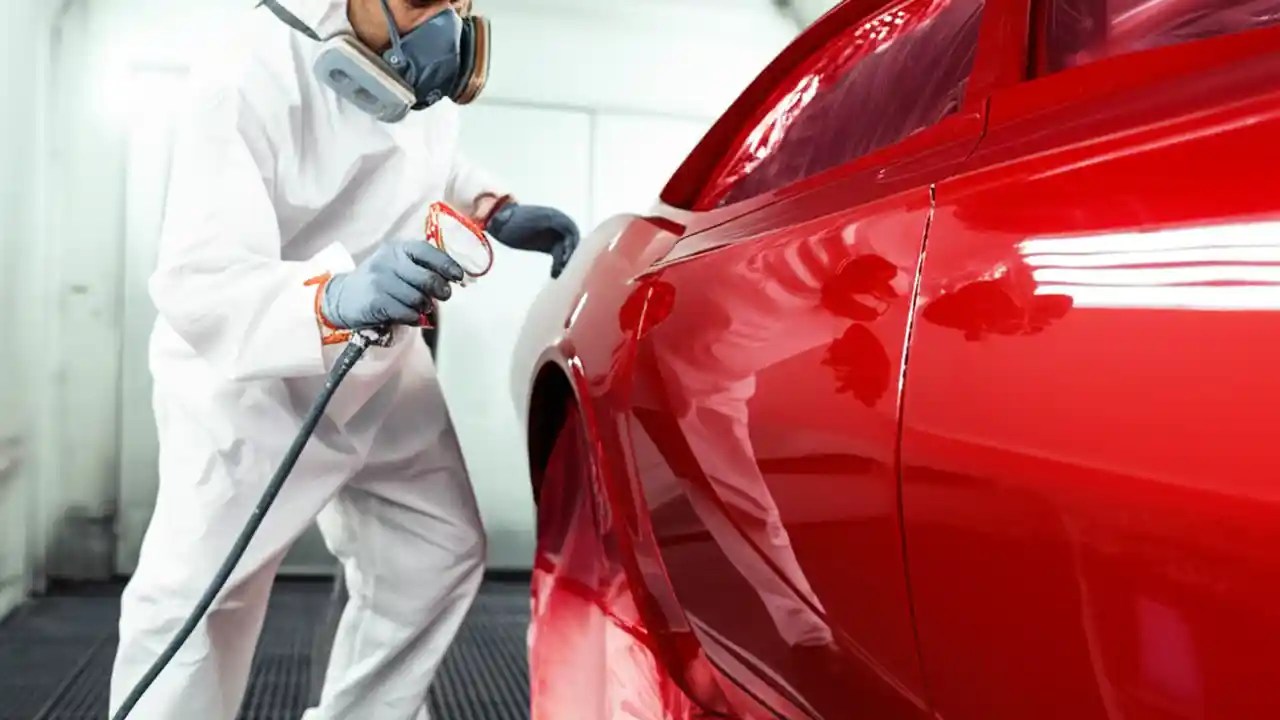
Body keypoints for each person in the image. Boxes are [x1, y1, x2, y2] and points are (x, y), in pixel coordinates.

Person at [108, 0, 580, 718]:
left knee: (436, 551)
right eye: (425, 1)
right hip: (253, 383)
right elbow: (197, 282)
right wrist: (332, 298)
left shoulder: (402, 72)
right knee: (202, 606)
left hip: (381, 368)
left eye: (461, 1)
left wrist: (493, 206)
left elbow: (424, 153)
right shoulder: (241, 77)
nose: (448, 25)